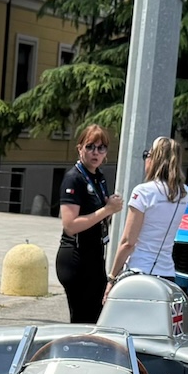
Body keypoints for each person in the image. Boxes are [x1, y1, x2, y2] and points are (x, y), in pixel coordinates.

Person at [55, 124, 121, 324]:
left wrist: (108, 209)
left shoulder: (98, 177)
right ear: (80, 148)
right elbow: (71, 225)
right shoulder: (74, 178)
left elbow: (97, 217)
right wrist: (107, 210)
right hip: (75, 256)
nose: (96, 153)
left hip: (94, 255)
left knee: (97, 317)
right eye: (90, 146)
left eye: (101, 148)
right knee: (82, 319)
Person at [109, 137, 188, 287]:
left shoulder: (144, 191)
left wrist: (112, 276)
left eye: (147, 155)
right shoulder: (183, 192)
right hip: (167, 274)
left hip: (140, 271)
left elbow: (128, 242)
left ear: (154, 159)